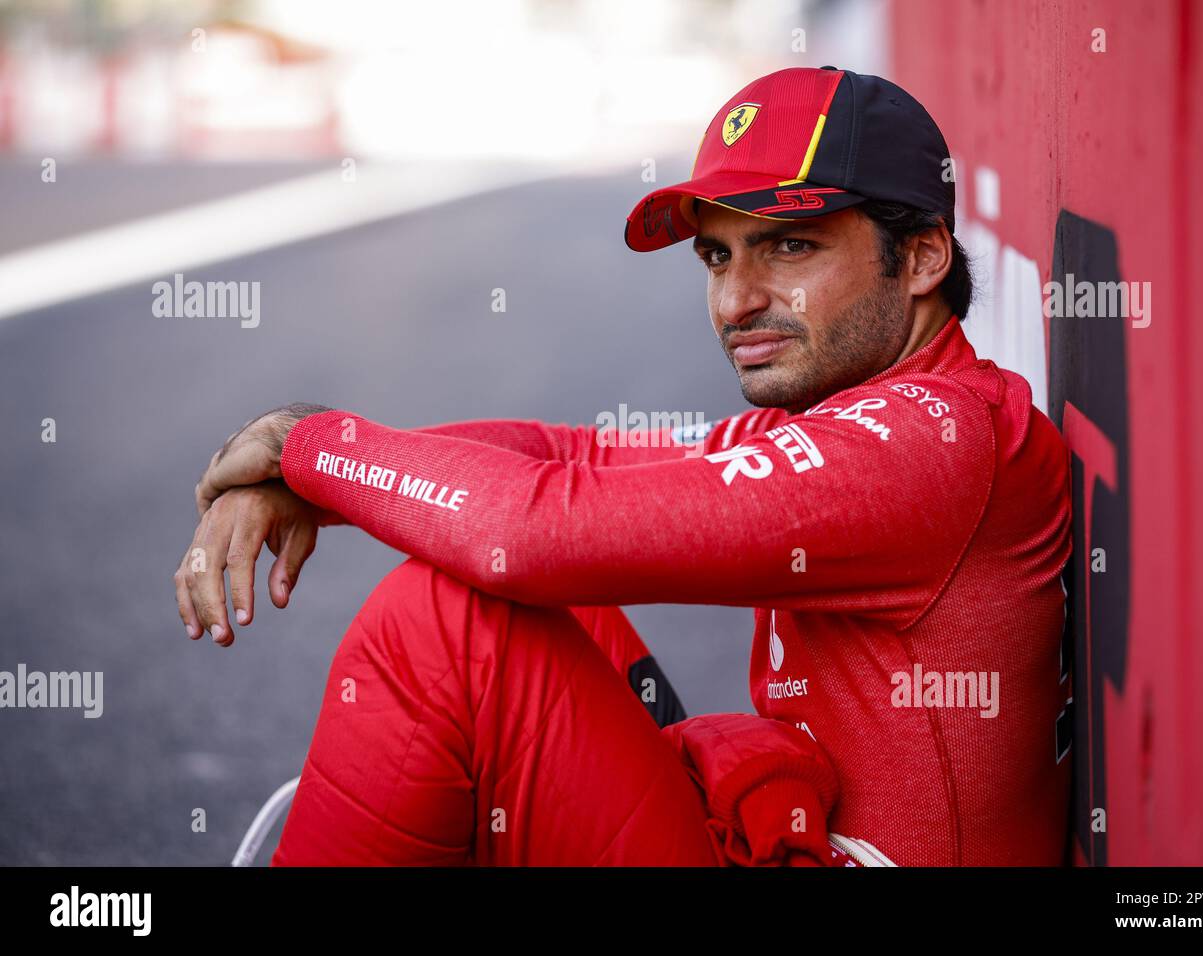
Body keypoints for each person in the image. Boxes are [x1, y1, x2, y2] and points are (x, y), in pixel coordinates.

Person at [174, 66, 1072, 867]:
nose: (735, 300)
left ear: (920, 258)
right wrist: (313, 480)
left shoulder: (924, 443)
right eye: (719, 255)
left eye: (790, 247)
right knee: (553, 596)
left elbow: (522, 531)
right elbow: (573, 459)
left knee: (443, 620)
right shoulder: (883, 411)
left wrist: (309, 443)